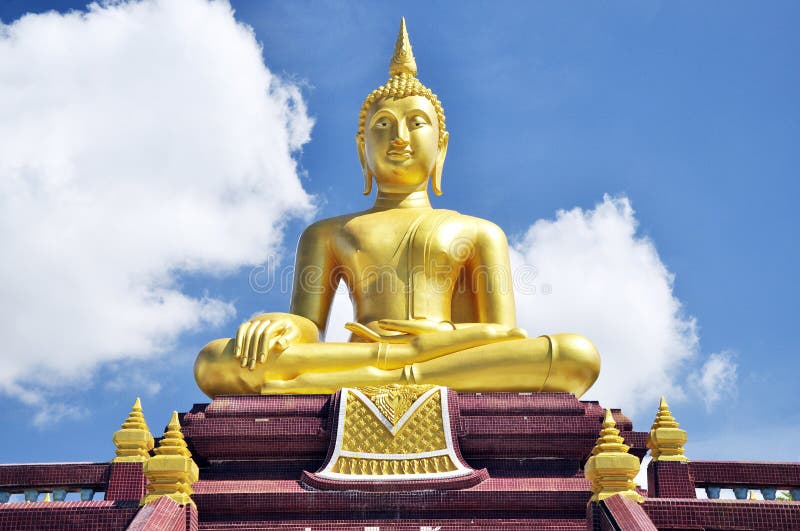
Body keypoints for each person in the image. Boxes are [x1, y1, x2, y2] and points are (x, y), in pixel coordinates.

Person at [194, 19, 600, 398]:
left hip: (445, 351)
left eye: (417, 123)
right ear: (362, 148)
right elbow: (309, 327)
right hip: (368, 352)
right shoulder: (327, 233)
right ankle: (398, 368)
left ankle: (387, 373)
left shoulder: (480, 232)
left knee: (575, 356)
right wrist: (281, 325)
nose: (399, 137)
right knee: (216, 361)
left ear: (441, 145)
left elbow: (503, 335)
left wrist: (432, 341)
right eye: (383, 125)